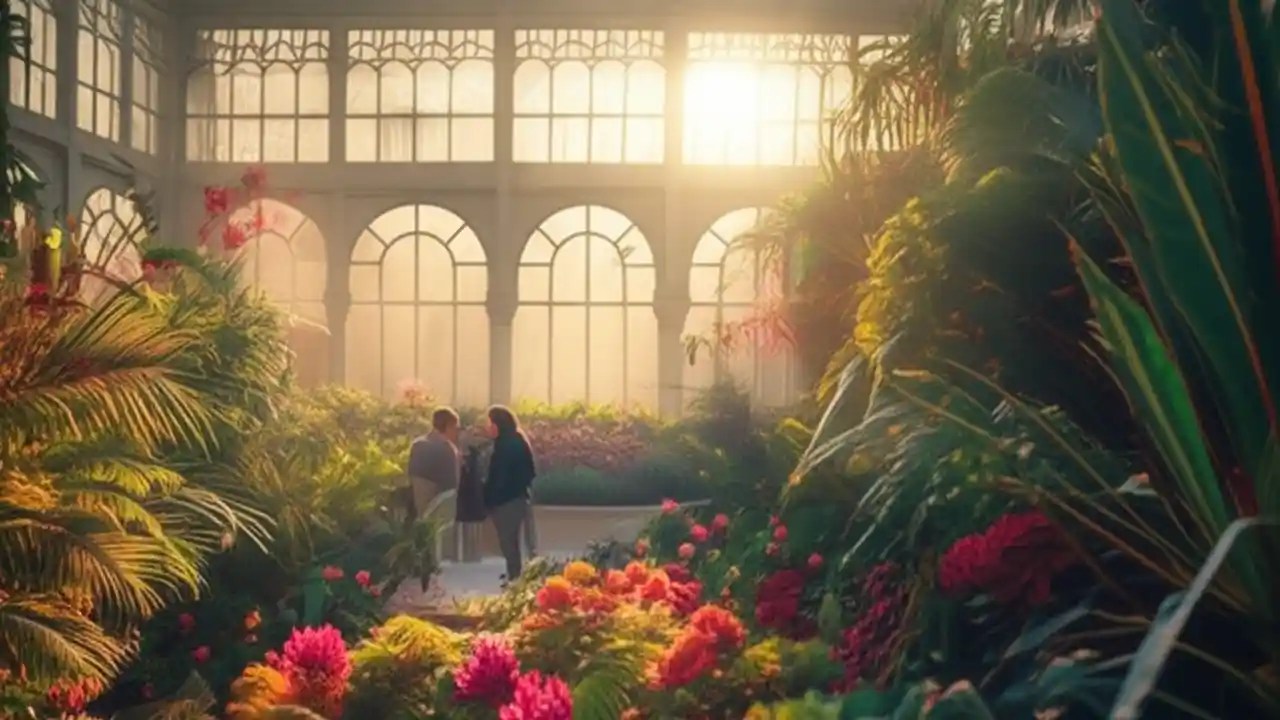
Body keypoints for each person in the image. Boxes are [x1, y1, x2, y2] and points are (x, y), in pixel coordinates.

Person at [483, 405, 537, 582]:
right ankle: (513, 573)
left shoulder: (507, 445)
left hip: (507, 501)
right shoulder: (515, 440)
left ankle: (514, 576)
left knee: (508, 541)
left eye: (489, 423)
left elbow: (501, 476)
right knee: (510, 540)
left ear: (498, 424)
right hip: (514, 498)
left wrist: (492, 497)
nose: (487, 427)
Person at [407, 407, 461, 522]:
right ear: (449, 426)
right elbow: (452, 484)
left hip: (418, 505)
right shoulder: (447, 449)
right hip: (439, 506)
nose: (457, 432)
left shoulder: (417, 444)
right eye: (456, 428)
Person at [455, 430, 487, 563]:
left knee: (469, 525)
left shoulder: (473, 457)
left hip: (470, 495)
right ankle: (471, 554)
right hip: (472, 495)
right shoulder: (476, 456)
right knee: (470, 525)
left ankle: (470, 554)